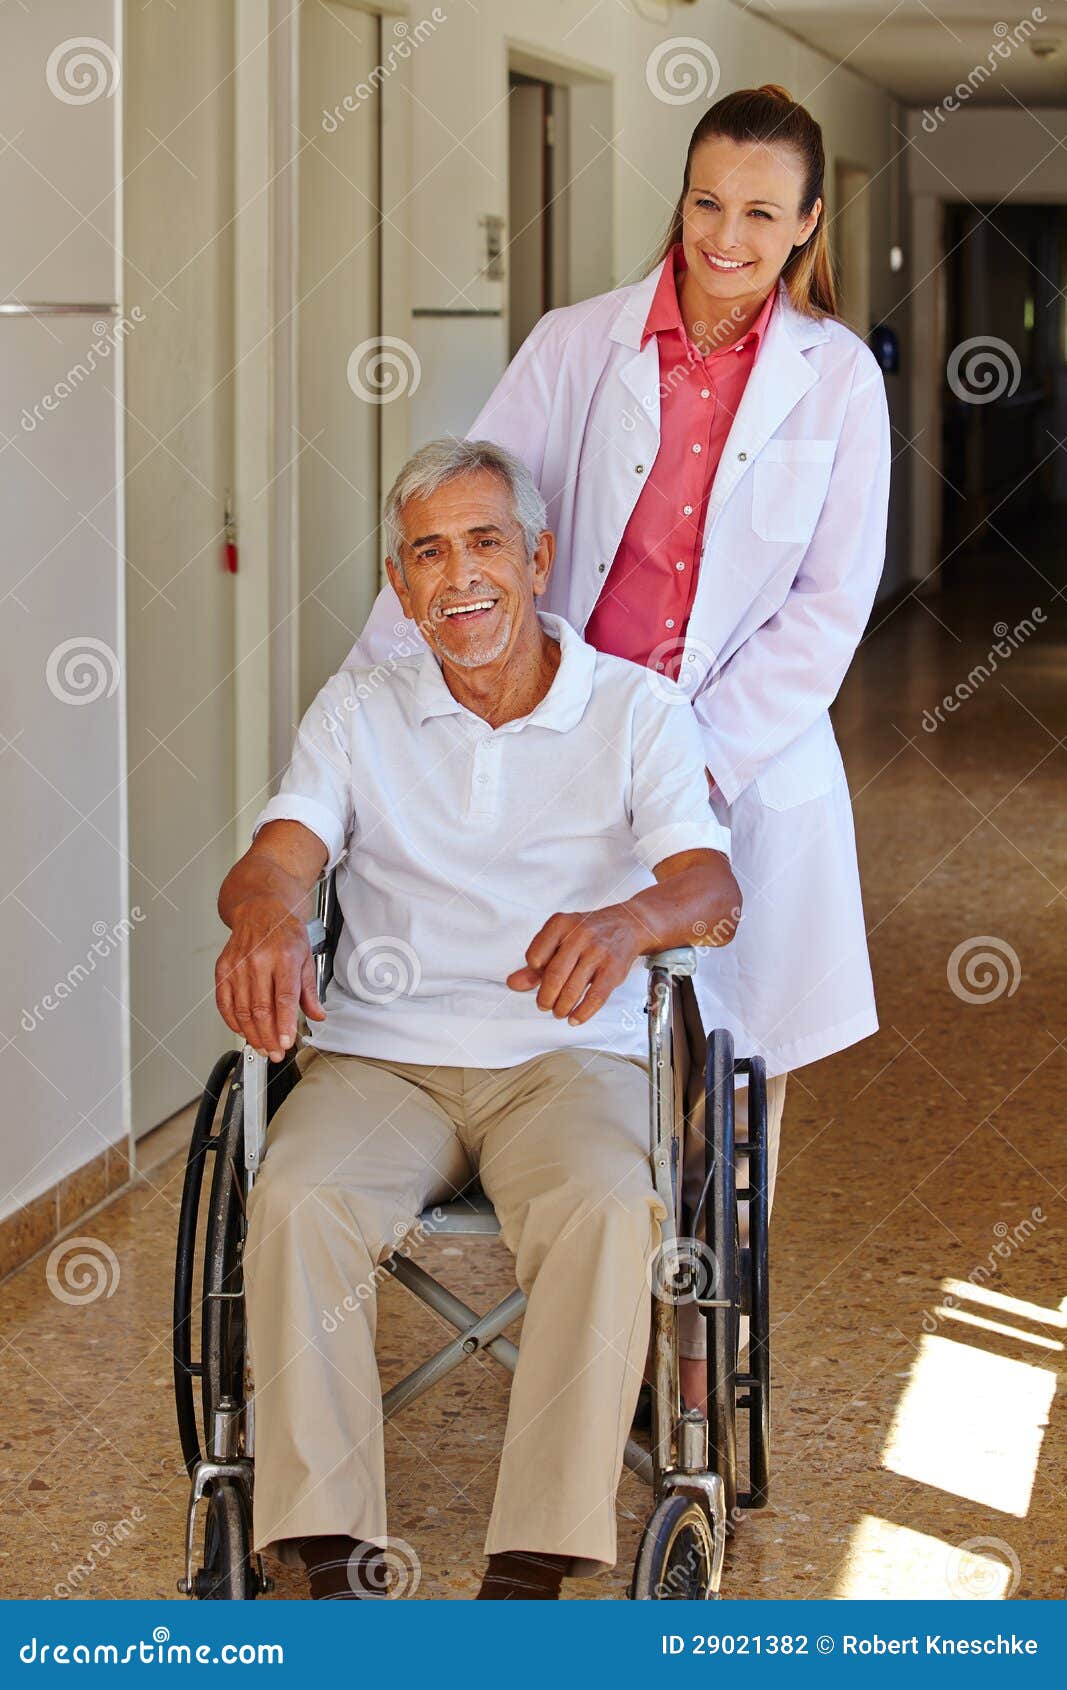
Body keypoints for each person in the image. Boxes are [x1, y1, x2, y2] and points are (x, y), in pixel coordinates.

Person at [345, 85, 892, 1403]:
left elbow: (829, 600)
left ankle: (699, 1354)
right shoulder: (578, 343)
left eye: (759, 212)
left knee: (731, 1080)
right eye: (706, 201)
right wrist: (371, 699)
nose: (723, 234)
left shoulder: (835, 383)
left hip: (735, 769)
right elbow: (474, 521)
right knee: (581, 1038)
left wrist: (689, 758)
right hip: (563, 747)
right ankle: (593, 1302)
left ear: (806, 222)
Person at [214, 438, 741, 1600]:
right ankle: (332, 1556)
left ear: (538, 557)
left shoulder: (635, 712)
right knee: (297, 1197)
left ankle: (530, 1566)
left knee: (608, 1205)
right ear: (400, 588)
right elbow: (276, 857)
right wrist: (265, 918)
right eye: (427, 553)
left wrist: (623, 922)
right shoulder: (358, 709)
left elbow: (710, 891)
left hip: (563, 1060)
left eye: (485, 542)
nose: (459, 577)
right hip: (381, 1063)